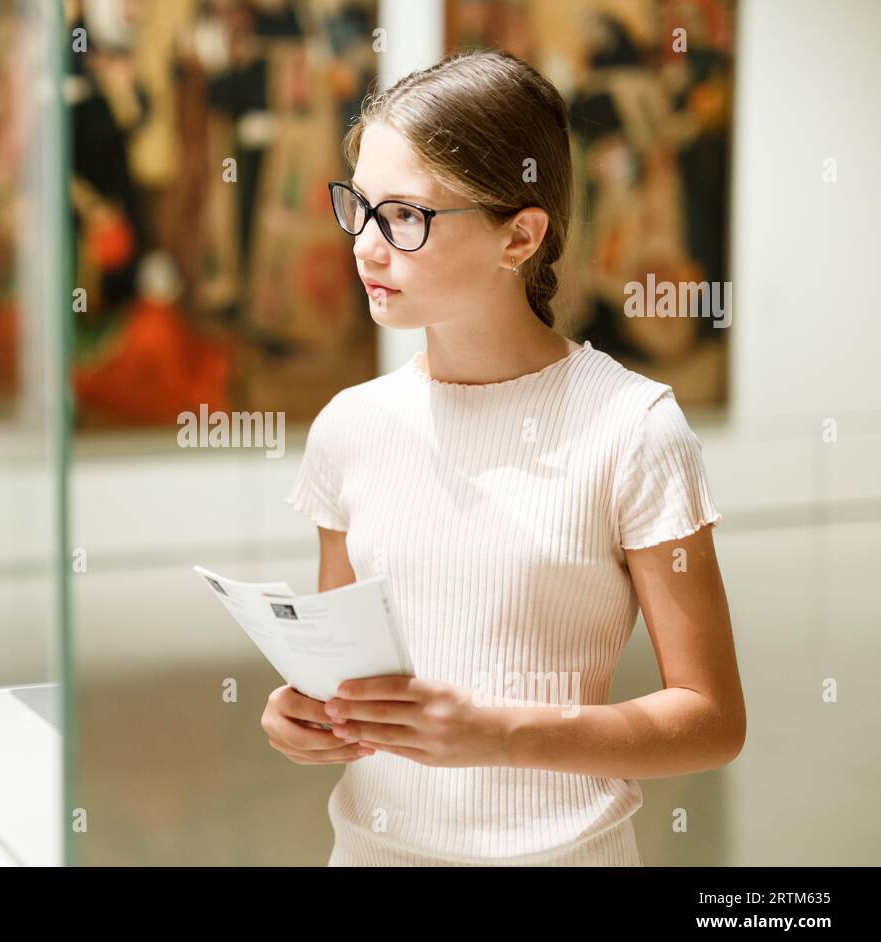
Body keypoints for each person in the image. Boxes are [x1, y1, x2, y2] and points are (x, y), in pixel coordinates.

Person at [268, 49, 744, 866]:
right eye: (360, 207)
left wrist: (500, 733)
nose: (367, 248)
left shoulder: (633, 430)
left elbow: (710, 720)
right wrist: (305, 714)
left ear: (520, 235)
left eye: (406, 217)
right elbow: (348, 677)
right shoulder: (350, 426)